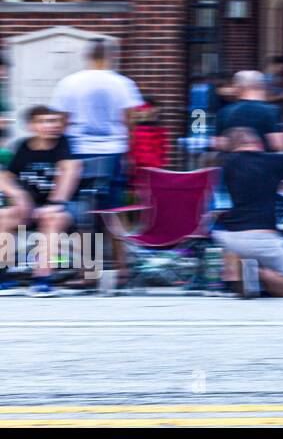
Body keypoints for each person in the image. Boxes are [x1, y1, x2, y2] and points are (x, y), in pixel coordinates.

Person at [212, 127, 283, 297]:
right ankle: (256, 272)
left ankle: (238, 270)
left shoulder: (224, 163)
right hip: (263, 238)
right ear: (260, 144)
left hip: (229, 238)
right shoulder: (275, 161)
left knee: (244, 284)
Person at [50, 40, 143, 213]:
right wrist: (129, 151)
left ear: (87, 56)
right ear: (112, 57)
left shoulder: (68, 82)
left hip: (77, 149)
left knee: (75, 202)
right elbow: (130, 121)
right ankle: (108, 237)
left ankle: (79, 236)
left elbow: (61, 120)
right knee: (111, 208)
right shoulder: (124, 83)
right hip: (113, 150)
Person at [0, 106, 82, 296]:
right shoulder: (23, 146)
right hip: (28, 208)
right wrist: (18, 195)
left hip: (63, 208)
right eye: (45, 121)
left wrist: (55, 203)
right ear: (31, 126)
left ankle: (42, 279)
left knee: (50, 220)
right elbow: (4, 176)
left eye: (54, 121)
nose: (52, 125)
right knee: (3, 216)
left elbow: (69, 171)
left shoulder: (63, 144)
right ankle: (2, 276)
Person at [214, 71, 283, 152]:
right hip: (263, 163)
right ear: (261, 85)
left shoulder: (225, 112)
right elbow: (278, 145)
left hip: (233, 162)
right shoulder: (272, 111)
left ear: (237, 87)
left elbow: (219, 144)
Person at [127, 99, 169, 192]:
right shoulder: (136, 132)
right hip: (143, 174)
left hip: (151, 173)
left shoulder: (158, 131)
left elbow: (162, 154)